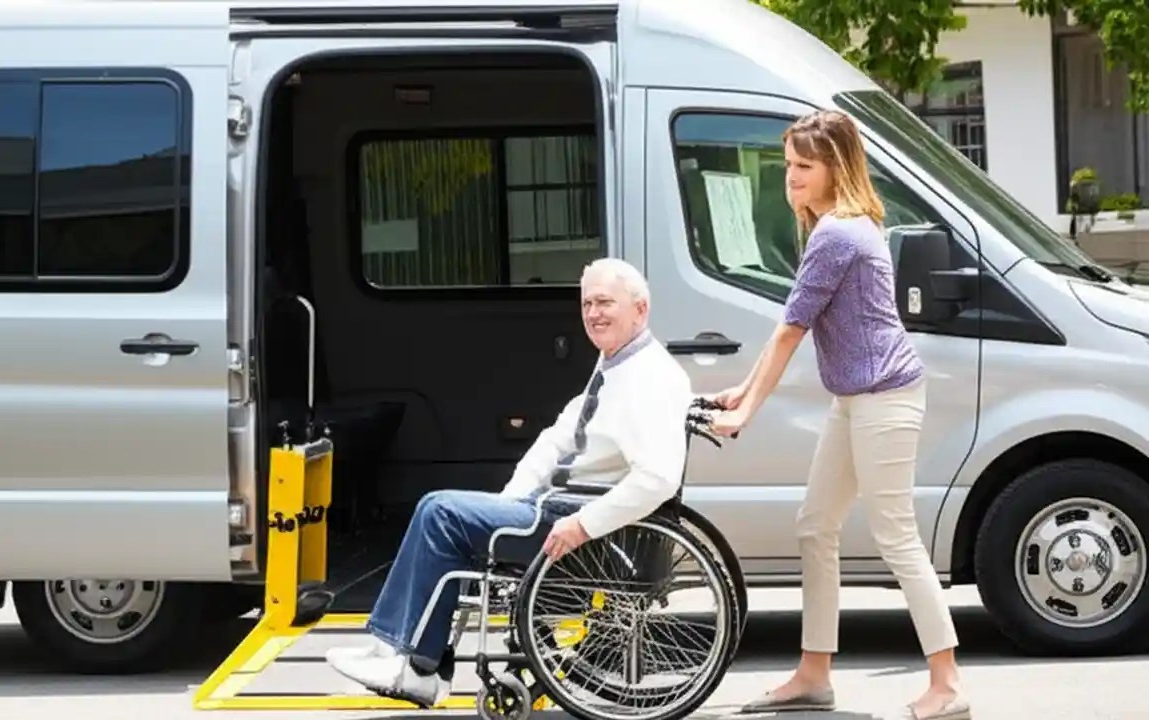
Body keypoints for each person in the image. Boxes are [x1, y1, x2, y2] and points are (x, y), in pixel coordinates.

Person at [324, 258, 694, 707]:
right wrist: (512, 500)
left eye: (605, 303)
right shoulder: (618, 363)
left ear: (640, 309)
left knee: (440, 513)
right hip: (557, 506)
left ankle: (417, 667)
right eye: (587, 304)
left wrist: (583, 526)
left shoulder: (650, 378)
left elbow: (658, 478)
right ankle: (397, 652)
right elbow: (557, 437)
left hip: (584, 529)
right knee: (445, 514)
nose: (593, 313)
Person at [707, 110, 971, 720]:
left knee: (896, 537)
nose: (791, 177)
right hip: (855, 398)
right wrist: (740, 390)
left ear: (836, 167)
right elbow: (791, 323)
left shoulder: (838, 234)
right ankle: (814, 674)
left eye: (805, 166)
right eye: (788, 165)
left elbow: (790, 331)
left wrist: (746, 410)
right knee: (816, 525)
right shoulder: (842, 226)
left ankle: (948, 684)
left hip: (884, 397)